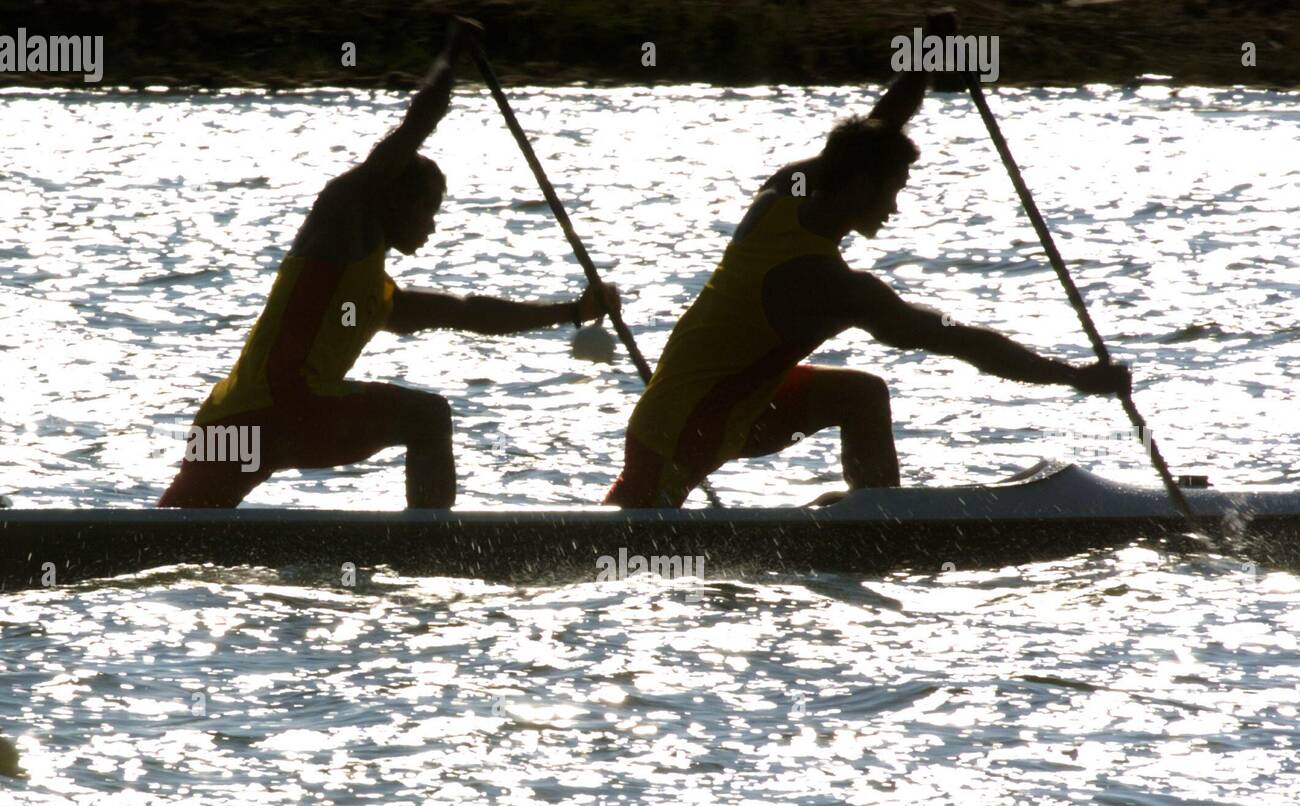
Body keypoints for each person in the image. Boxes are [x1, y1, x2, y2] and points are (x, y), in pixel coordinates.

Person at [603, 18, 1127, 508]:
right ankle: (865, 527)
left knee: (861, 395)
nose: (895, 207)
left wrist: (924, 56)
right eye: (893, 192)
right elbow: (960, 341)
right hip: (682, 427)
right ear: (858, 187)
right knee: (626, 531)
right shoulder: (830, 285)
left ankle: (875, 519)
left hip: (745, 407)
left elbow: (874, 131)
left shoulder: (787, 190)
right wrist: (1073, 377)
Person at [159, 19, 617, 509]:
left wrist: (572, 311)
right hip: (285, 416)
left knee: (168, 537)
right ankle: (431, 550)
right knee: (429, 417)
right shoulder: (345, 217)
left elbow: (470, 312)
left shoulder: (380, 297)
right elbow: (419, 121)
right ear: (392, 196)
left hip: (225, 425)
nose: (431, 227)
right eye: (427, 211)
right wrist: (451, 53)